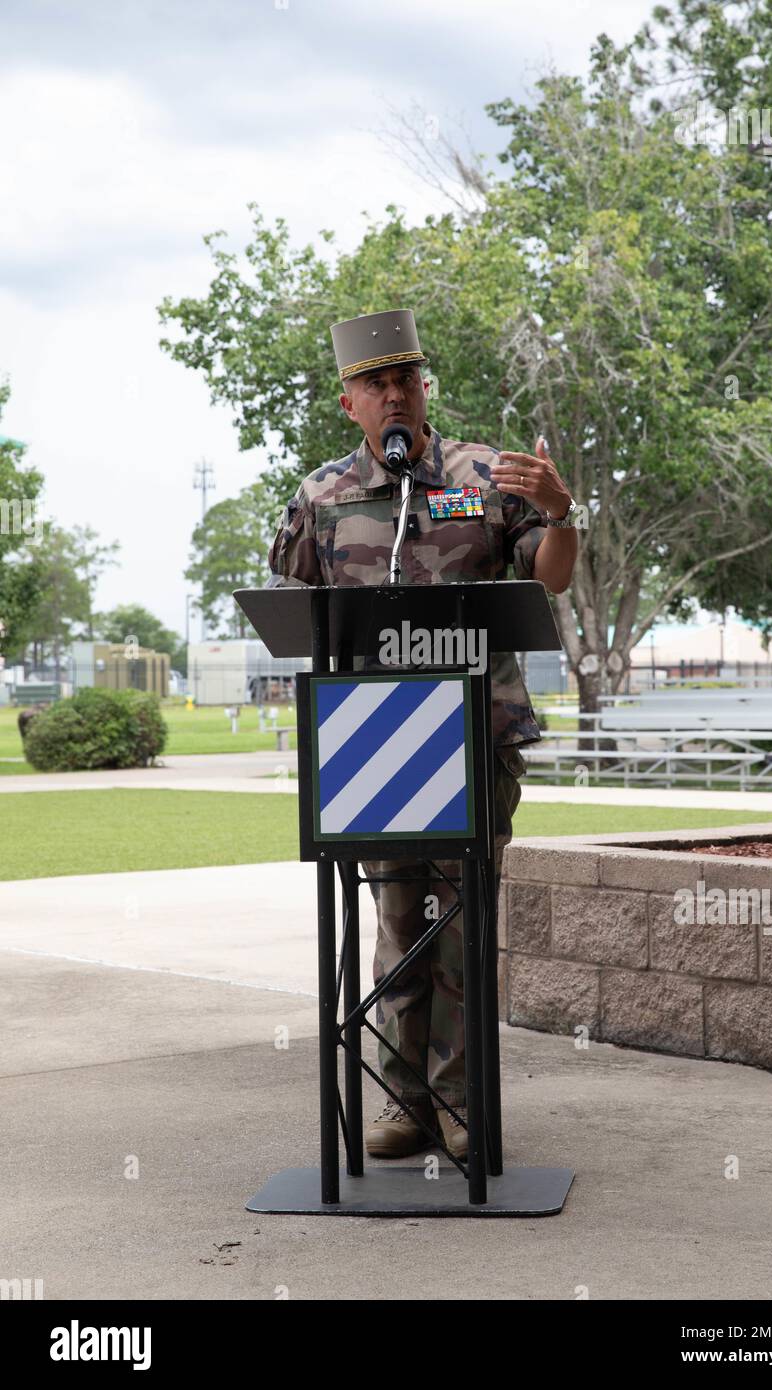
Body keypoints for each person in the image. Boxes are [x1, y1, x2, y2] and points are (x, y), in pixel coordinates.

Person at [267, 308, 578, 1160]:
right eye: (377, 383)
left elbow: (547, 573)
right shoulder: (323, 497)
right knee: (400, 924)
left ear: (424, 387)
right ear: (349, 404)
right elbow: (291, 606)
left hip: (475, 741)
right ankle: (404, 1104)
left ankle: (462, 1108)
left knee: (462, 927)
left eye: (407, 377)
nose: (395, 392)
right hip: (371, 751)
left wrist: (562, 513)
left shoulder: (482, 474)